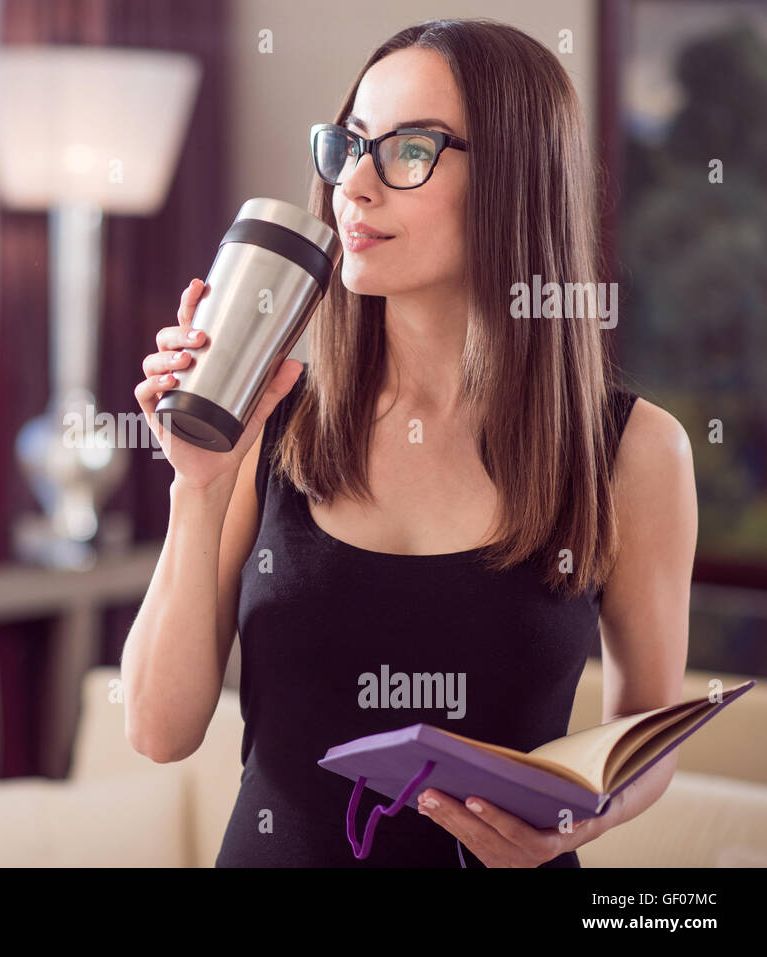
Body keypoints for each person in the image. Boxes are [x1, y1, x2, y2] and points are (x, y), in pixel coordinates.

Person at [121, 18, 697, 867]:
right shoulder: (270, 418)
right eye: (351, 144)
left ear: (512, 178)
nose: (354, 184)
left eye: (409, 149)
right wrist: (198, 484)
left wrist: (582, 819)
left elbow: (645, 732)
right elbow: (157, 731)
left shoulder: (633, 451)